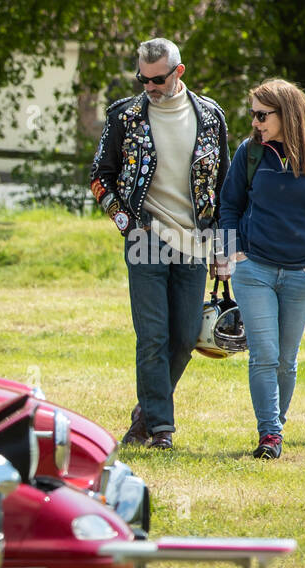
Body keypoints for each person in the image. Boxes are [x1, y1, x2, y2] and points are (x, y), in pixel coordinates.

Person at [90, 37, 230, 450]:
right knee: (152, 336)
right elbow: (101, 176)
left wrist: (224, 250)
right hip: (144, 239)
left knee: (185, 338)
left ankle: (144, 415)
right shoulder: (124, 116)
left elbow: (224, 190)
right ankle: (161, 429)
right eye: (143, 78)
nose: (149, 86)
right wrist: (127, 224)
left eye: (157, 79)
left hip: (195, 242)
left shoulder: (210, 117)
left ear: (178, 72)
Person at [217, 78, 305, 460]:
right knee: (264, 354)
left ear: (285, 113)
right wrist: (234, 254)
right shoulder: (250, 153)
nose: (255, 122)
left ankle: (276, 425)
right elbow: (229, 207)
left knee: (287, 360)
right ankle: (269, 434)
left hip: (300, 276)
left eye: (262, 115)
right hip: (253, 270)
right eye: (253, 114)